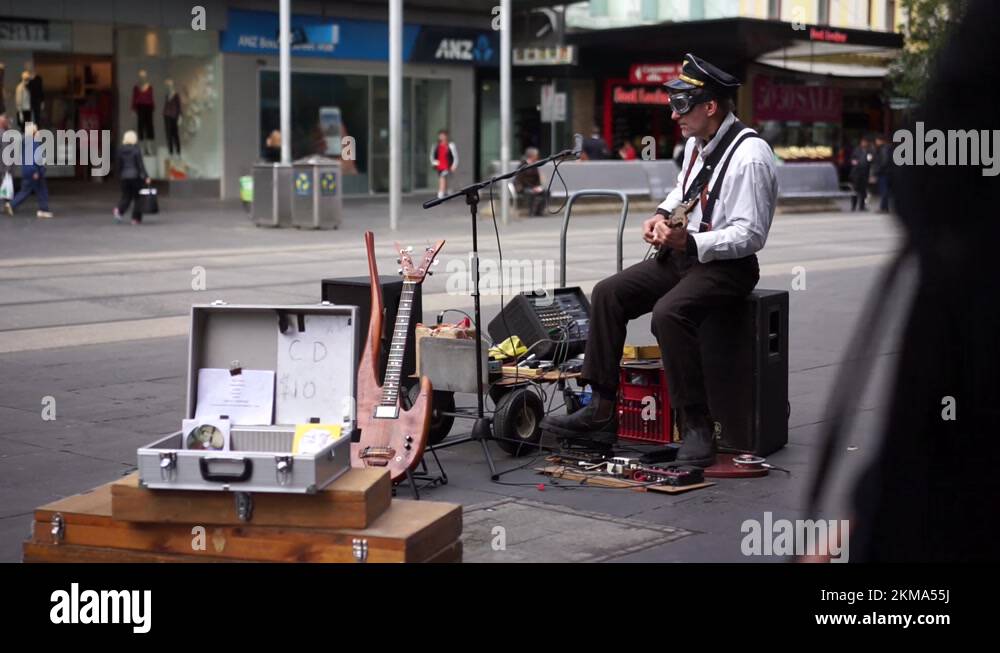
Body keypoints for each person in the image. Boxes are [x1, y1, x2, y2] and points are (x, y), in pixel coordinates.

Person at [540, 53, 778, 468]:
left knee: (669, 313)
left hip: (727, 266)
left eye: (682, 105)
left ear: (710, 106)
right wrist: (661, 217)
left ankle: (696, 426)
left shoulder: (751, 156)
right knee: (608, 293)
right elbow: (681, 193)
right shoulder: (694, 145)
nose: (673, 114)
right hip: (682, 257)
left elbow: (751, 234)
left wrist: (691, 242)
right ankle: (601, 409)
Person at [6, 123, 53, 219]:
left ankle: (11, 204)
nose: (39, 133)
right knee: (41, 190)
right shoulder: (34, 143)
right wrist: (37, 171)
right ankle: (43, 210)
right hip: (34, 171)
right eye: (37, 131)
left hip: (28, 170)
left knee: (26, 190)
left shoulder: (26, 143)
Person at [113, 130, 151, 225]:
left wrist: (119, 175)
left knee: (126, 197)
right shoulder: (136, 149)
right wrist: (146, 176)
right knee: (138, 198)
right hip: (135, 177)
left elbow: (118, 165)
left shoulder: (120, 150)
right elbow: (140, 165)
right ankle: (135, 219)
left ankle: (119, 210)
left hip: (124, 177)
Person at [514, 147, 546, 216]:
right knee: (532, 193)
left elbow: (537, 178)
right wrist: (533, 187)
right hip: (523, 187)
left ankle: (540, 211)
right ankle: (532, 212)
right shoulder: (522, 165)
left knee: (546, 192)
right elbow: (521, 180)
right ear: (532, 156)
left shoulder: (534, 165)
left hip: (533, 186)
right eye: (536, 155)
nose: (538, 157)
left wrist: (538, 186)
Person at [848, 134, 873, 211]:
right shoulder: (857, 150)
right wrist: (854, 162)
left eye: (865, 142)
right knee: (854, 190)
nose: (864, 143)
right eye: (863, 142)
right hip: (856, 173)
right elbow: (852, 159)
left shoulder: (869, 151)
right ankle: (853, 206)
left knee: (863, 191)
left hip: (865, 173)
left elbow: (870, 161)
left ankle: (862, 206)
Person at [430, 129, 458, 199]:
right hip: (440, 165)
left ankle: (442, 193)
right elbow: (432, 155)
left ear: (446, 136)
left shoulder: (451, 145)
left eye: (443, 135)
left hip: (447, 165)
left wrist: (454, 165)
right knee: (443, 178)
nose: (441, 137)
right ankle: (443, 193)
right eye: (440, 135)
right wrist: (434, 163)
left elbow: (455, 156)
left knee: (444, 178)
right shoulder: (436, 145)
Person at [871, 133, 892, 213]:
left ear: (880, 141)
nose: (876, 142)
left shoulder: (883, 149)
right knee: (884, 190)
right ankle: (885, 207)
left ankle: (883, 208)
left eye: (877, 140)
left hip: (883, 173)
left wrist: (877, 171)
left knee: (884, 191)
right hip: (886, 172)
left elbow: (884, 161)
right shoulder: (886, 148)